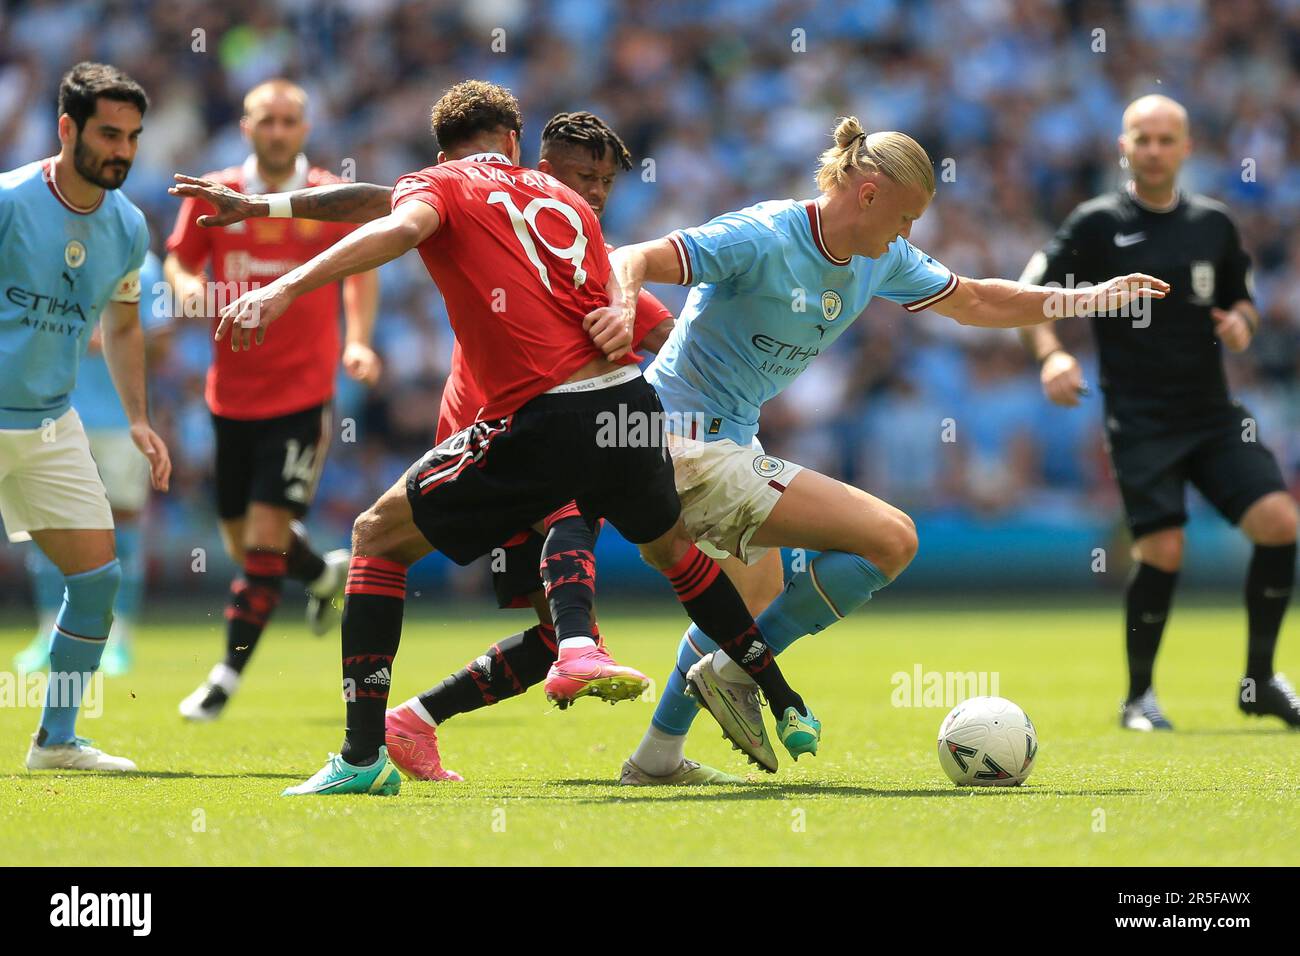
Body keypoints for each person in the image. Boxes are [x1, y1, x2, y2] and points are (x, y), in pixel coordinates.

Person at [189, 79, 817, 796]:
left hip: (539, 421)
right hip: (628, 406)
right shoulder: (564, 203)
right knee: (673, 554)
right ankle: (784, 698)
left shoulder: (445, 187)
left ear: (441, 151)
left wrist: (284, 285)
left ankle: (363, 758)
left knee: (375, 538)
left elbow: (394, 222)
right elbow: (382, 201)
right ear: (516, 145)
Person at [608, 116, 1169, 777]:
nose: (909, 235)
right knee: (891, 538)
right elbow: (633, 257)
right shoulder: (763, 235)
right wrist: (622, 308)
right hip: (676, 440)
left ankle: (657, 756)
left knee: (750, 598)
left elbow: (979, 302)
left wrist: (1083, 299)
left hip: (727, 439)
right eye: (905, 218)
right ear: (867, 194)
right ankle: (734, 672)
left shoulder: (882, 260)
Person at [1018, 94, 1300, 730]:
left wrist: (1241, 324)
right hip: (1139, 417)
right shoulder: (1095, 224)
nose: (1152, 149)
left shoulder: (1214, 224)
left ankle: (1259, 681)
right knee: (1164, 548)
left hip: (1212, 412)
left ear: (1186, 148)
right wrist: (1051, 355)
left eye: (1165, 139)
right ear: (1123, 146)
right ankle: (1138, 697)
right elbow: (1030, 293)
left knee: (1280, 522)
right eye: (1141, 138)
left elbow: (1244, 302)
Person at [164, 79, 382, 722]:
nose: (280, 130)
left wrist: (360, 341)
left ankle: (224, 678)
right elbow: (179, 259)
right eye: (269, 120)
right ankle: (320, 574)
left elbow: (361, 267)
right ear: (246, 125)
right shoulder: (215, 192)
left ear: (305, 128)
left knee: (262, 538)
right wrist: (186, 289)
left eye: (291, 120)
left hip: (300, 397)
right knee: (244, 540)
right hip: (229, 398)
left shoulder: (319, 198)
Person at [0, 62, 171, 771]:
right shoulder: (9, 200)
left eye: (132, 136)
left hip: (47, 423)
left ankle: (56, 741)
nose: (122, 150)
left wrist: (137, 417)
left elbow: (126, 326)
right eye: (108, 133)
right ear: (67, 128)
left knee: (98, 579)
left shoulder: (128, 228)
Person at [15, 250, 171, 678]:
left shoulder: (141, 262)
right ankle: (48, 631)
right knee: (48, 525)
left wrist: (118, 337)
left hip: (121, 419)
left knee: (122, 525)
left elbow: (162, 342)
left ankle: (119, 639)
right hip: (54, 417)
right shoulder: (46, 257)